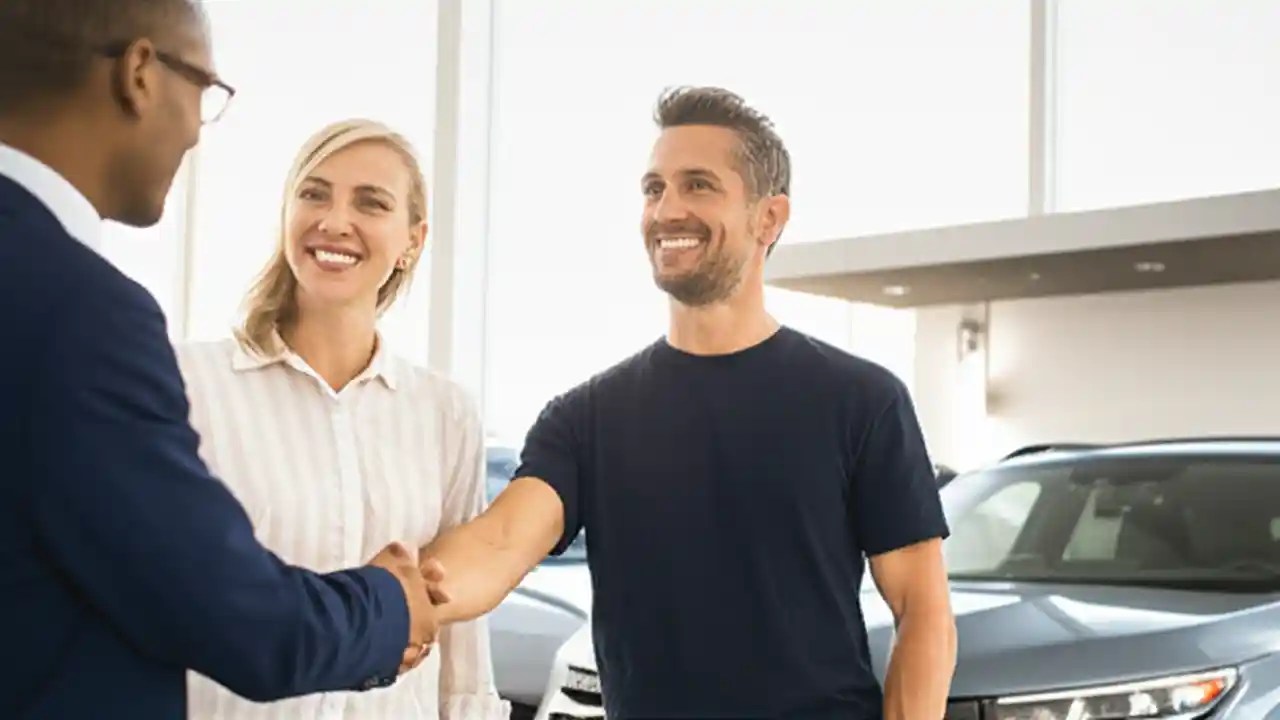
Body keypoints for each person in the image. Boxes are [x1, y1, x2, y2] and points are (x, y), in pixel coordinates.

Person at [421, 86, 958, 719]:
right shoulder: (587, 418)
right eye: (654, 189)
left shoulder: (862, 401)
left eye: (698, 185)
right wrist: (383, 597)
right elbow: (499, 544)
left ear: (770, 217)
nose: (667, 209)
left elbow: (922, 612)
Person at [0, 2, 440, 717]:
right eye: (204, 89)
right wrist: (388, 604)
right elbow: (233, 615)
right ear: (140, 73)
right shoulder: (81, 314)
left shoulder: (440, 409)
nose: (197, 133)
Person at [176, 118, 509, 719]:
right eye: (314, 193)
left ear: (413, 239)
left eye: (371, 203)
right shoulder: (190, 385)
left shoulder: (444, 411)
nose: (334, 221)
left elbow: (461, 639)